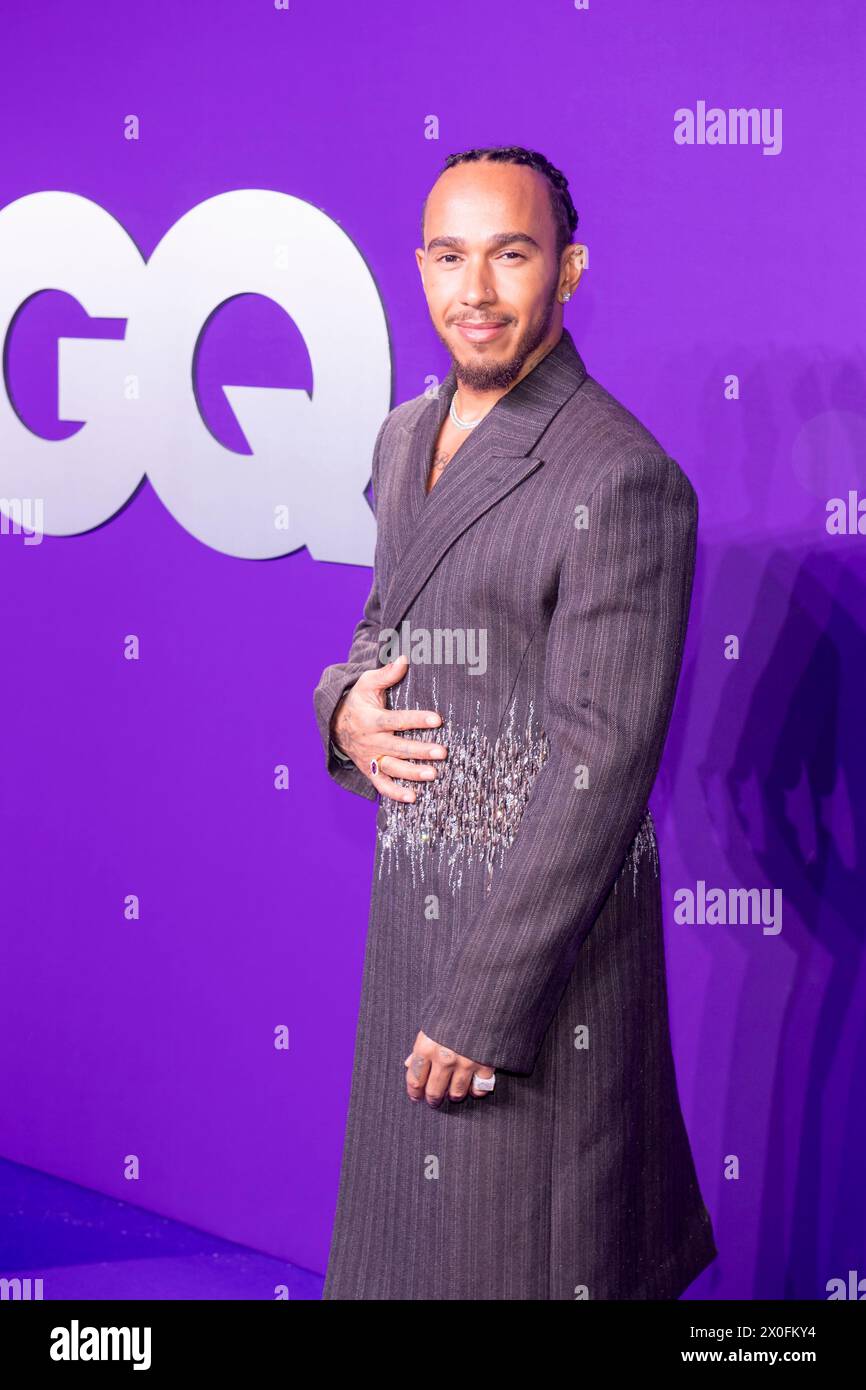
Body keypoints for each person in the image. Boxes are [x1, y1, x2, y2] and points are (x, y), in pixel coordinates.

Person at [313, 145, 717, 1300]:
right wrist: (342, 709)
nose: (474, 290)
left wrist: (488, 1001)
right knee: (400, 1258)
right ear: (419, 266)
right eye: (449, 255)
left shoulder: (623, 474)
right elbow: (376, 629)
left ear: (569, 269)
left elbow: (605, 761)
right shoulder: (403, 436)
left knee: (526, 1262)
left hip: (540, 962)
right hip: (413, 916)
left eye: (510, 253)